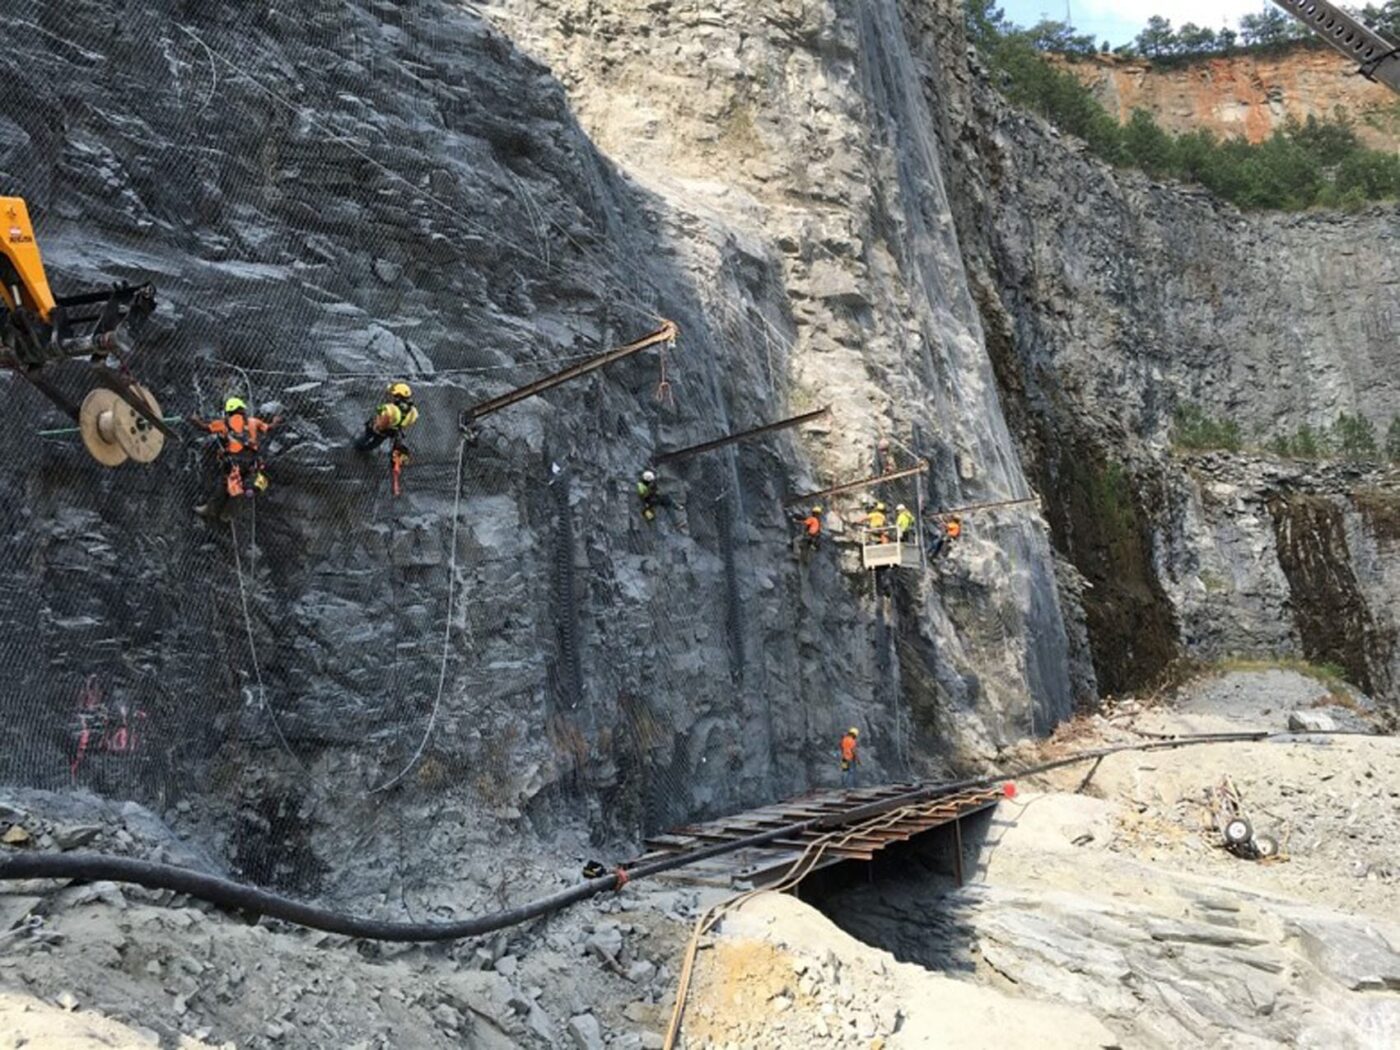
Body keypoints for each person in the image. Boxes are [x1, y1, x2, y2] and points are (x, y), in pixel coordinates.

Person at [189, 396, 281, 519]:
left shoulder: (224, 424)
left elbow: (204, 427)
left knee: (224, 485)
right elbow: (269, 428)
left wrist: (194, 419)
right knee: (242, 488)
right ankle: (228, 514)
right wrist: (276, 420)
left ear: (229, 412)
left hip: (234, 462)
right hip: (251, 463)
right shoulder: (253, 422)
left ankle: (211, 509)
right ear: (242, 410)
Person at [356, 381, 419, 455]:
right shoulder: (413, 411)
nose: (390, 396)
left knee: (364, 439)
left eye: (392, 395)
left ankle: (357, 449)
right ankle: (365, 451)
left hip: (378, 429)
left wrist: (375, 427)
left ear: (398, 397)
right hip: (390, 431)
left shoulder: (391, 409)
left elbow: (381, 424)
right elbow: (407, 424)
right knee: (374, 444)